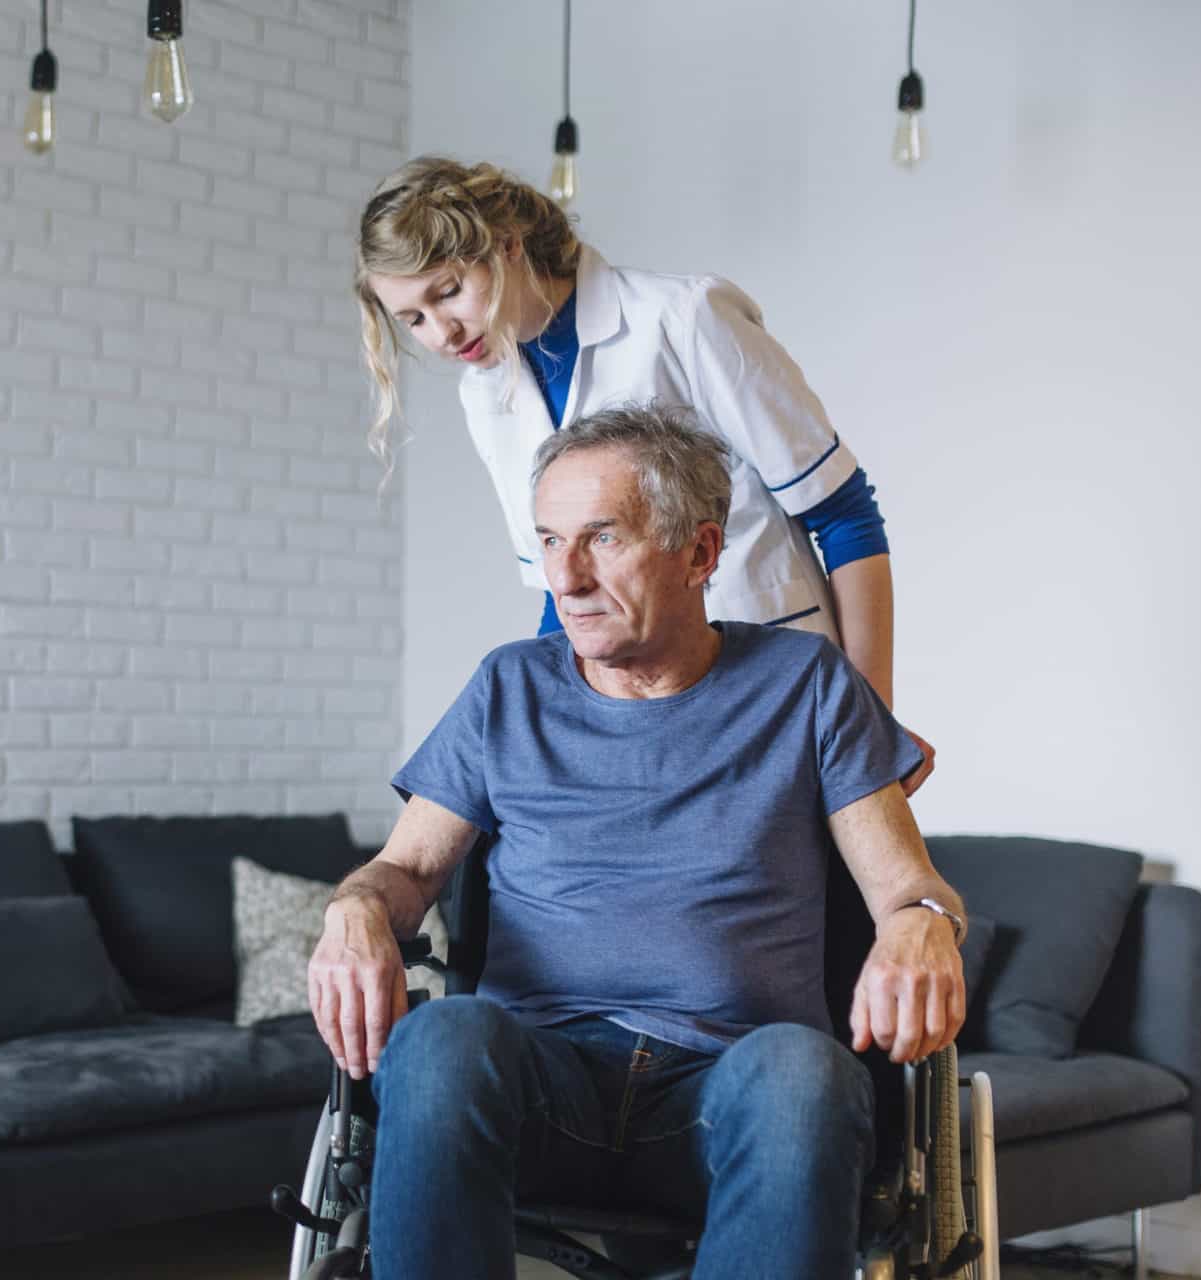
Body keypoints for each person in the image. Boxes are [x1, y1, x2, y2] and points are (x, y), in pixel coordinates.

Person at [306, 405, 968, 1280]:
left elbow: (909, 890)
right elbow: (407, 867)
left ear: (700, 553)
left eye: (602, 539)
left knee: (804, 1073)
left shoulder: (805, 684)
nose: (566, 578)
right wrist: (354, 909)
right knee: (439, 1040)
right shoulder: (509, 689)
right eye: (548, 541)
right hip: (538, 1089)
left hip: (734, 1097)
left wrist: (921, 921)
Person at [354, 155, 934, 794]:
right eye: (412, 319)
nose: (441, 333)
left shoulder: (684, 318)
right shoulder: (485, 392)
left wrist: (871, 723)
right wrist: (558, 735)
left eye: (449, 292)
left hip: (773, 690)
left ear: (508, 246)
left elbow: (845, 515)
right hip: (630, 715)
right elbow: (563, 592)